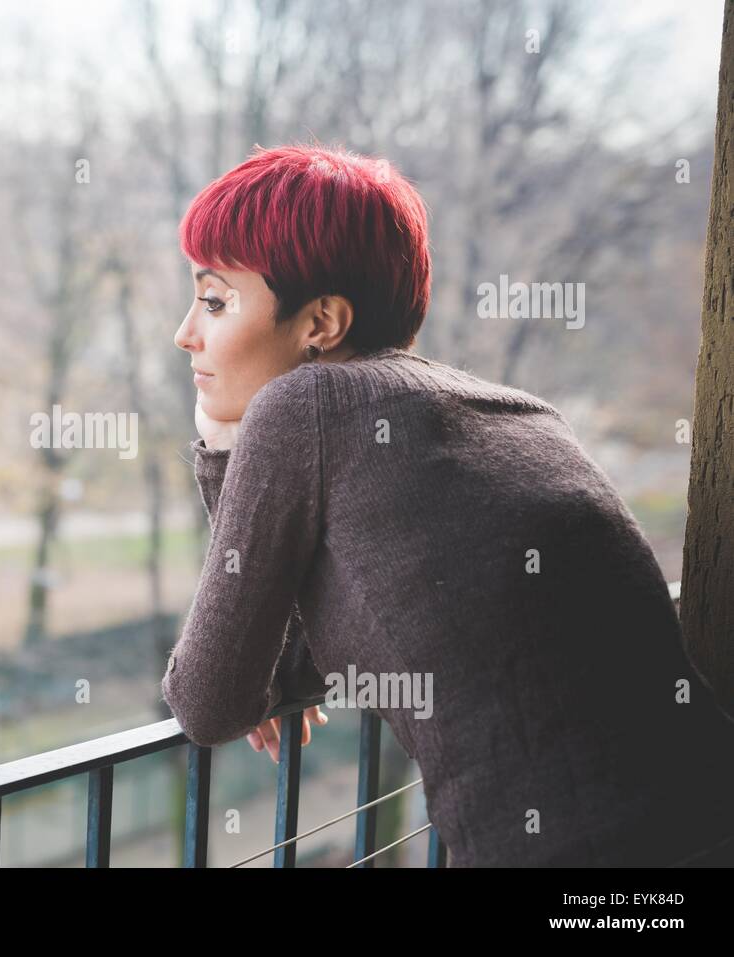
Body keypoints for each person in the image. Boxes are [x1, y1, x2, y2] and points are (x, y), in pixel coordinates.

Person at [160, 142, 734, 867]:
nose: (187, 332)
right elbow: (356, 635)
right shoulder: (522, 414)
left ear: (322, 324)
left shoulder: (301, 407)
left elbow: (209, 701)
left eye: (214, 300)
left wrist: (218, 450)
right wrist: (270, 673)